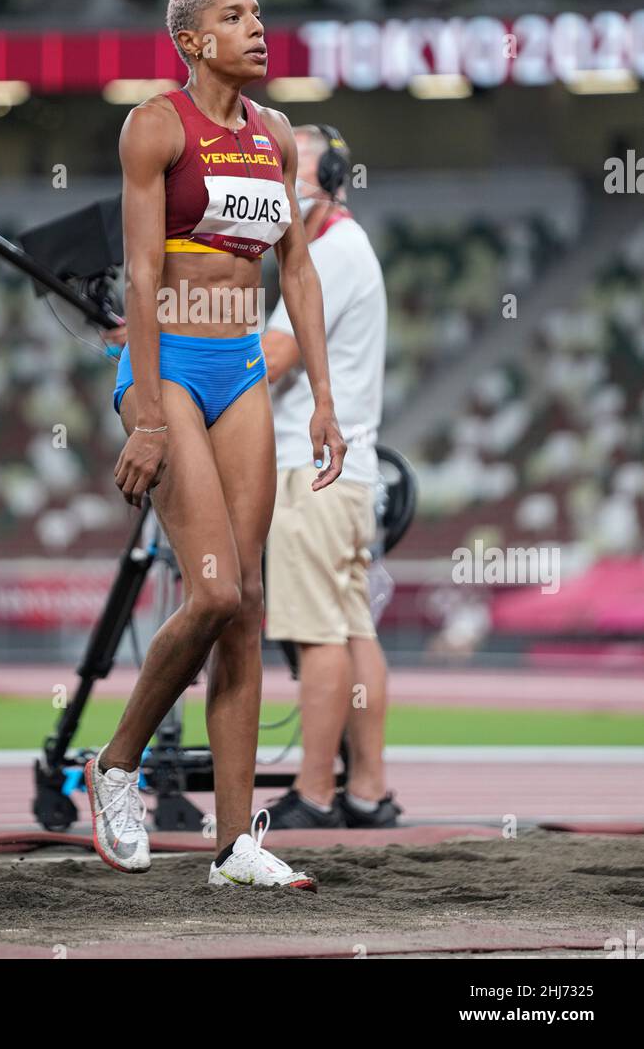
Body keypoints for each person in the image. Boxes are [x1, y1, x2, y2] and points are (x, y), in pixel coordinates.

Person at [86, 0, 347, 890]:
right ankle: (116, 764)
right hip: (169, 375)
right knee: (211, 592)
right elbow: (143, 269)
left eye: (259, 14)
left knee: (245, 611)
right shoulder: (156, 126)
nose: (257, 27)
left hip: (241, 369)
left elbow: (300, 276)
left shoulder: (273, 134)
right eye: (235, 17)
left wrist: (320, 398)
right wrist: (148, 414)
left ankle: (235, 844)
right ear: (193, 40)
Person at [261, 125, 402, 829]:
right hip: (345, 474)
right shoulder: (344, 246)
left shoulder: (329, 253)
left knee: (319, 635)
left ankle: (314, 797)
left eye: (295, 166)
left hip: (311, 469)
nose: (283, 178)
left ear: (332, 177)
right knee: (351, 632)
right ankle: (368, 793)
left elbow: (273, 359)